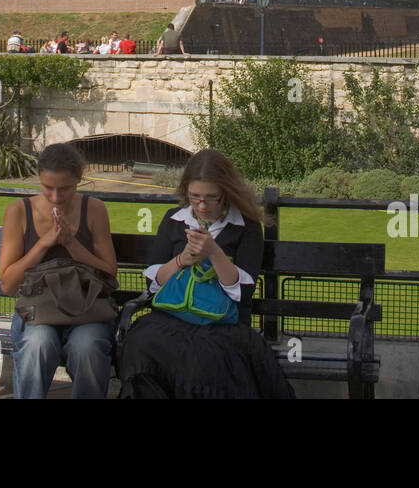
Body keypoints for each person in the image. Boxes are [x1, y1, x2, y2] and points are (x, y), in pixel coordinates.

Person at [118, 149, 294, 399]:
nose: (202, 206)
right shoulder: (174, 219)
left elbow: (243, 294)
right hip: (171, 318)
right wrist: (182, 259)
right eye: (195, 197)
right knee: (141, 347)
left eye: (211, 198)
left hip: (222, 324)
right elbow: (152, 284)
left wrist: (214, 252)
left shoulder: (246, 225)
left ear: (227, 193)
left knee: (205, 361)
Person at [0, 144, 117, 399]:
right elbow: (8, 285)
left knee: (88, 347)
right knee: (37, 344)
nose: (55, 197)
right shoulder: (18, 211)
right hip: (38, 309)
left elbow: (109, 273)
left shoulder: (94, 209)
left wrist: (72, 244)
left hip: (87, 307)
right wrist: (43, 243)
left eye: (64, 189)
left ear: (78, 181)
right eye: (47, 187)